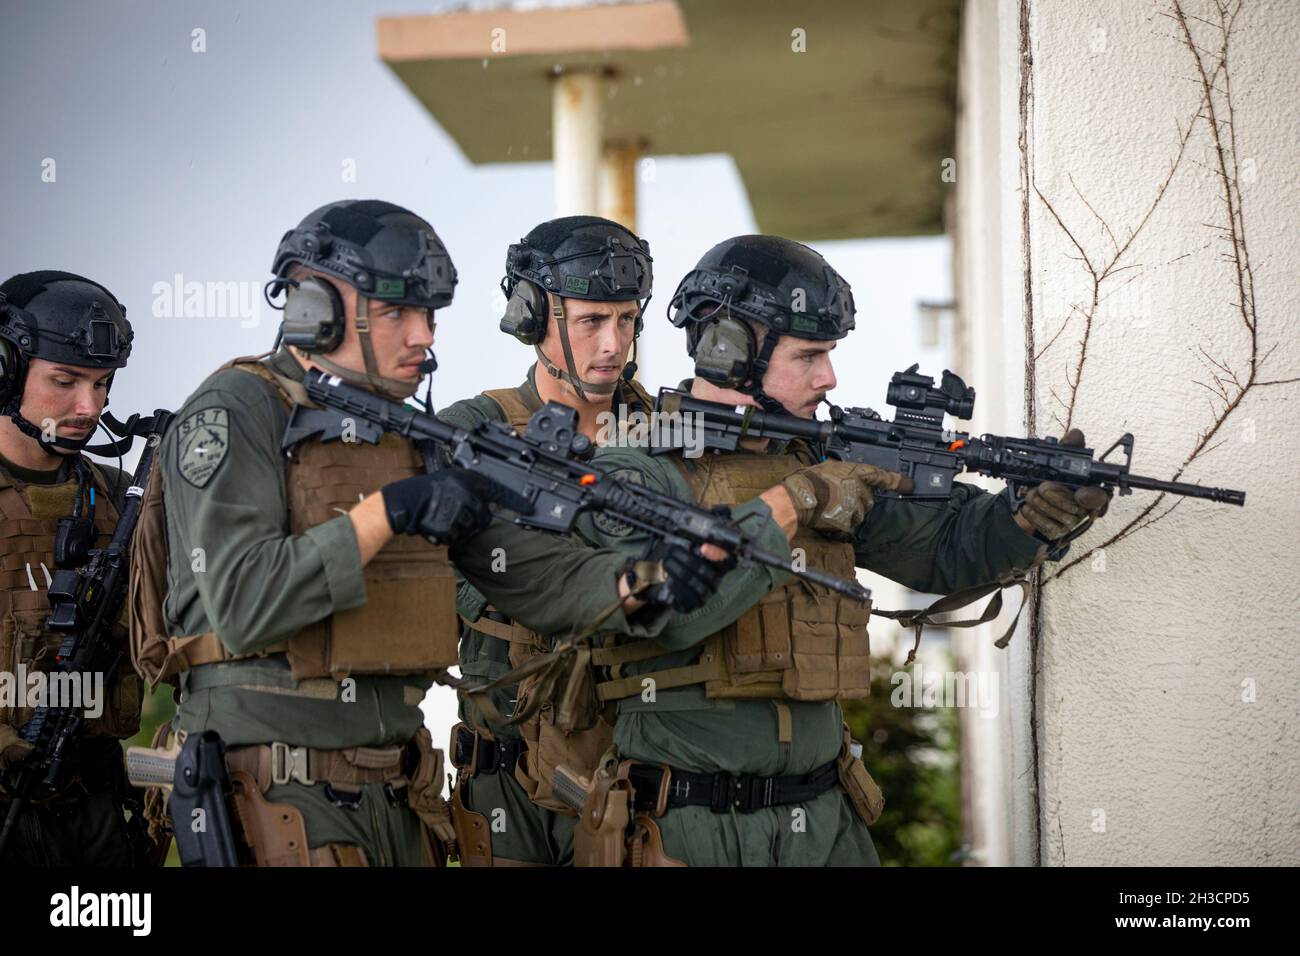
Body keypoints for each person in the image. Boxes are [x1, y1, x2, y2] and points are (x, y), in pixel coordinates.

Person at [566, 234, 1111, 866]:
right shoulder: (633, 471)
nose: (830, 378)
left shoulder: (822, 460)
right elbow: (663, 611)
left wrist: (1031, 517)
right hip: (689, 828)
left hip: (825, 821)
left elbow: (942, 552)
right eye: (810, 355)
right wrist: (797, 502)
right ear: (728, 349)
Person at [140, 199, 502, 866]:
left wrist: (639, 578)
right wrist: (388, 510)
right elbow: (245, 605)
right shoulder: (236, 409)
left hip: (399, 794)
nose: (424, 335)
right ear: (315, 308)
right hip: (276, 792)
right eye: (398, 313)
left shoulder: (404, 429)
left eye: (430, 315)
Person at [439, 215, 722, 865]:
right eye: (592, 321)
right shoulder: (476, 432)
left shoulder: (675, 438)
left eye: (627, 320)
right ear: (533, 315)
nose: (614, 342)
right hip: (506, 776)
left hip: (639, 775)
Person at [0, 270, 150, 865]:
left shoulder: (122, 500)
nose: (89, 408)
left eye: (102, 384)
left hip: (97, 805)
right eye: (65, 381)